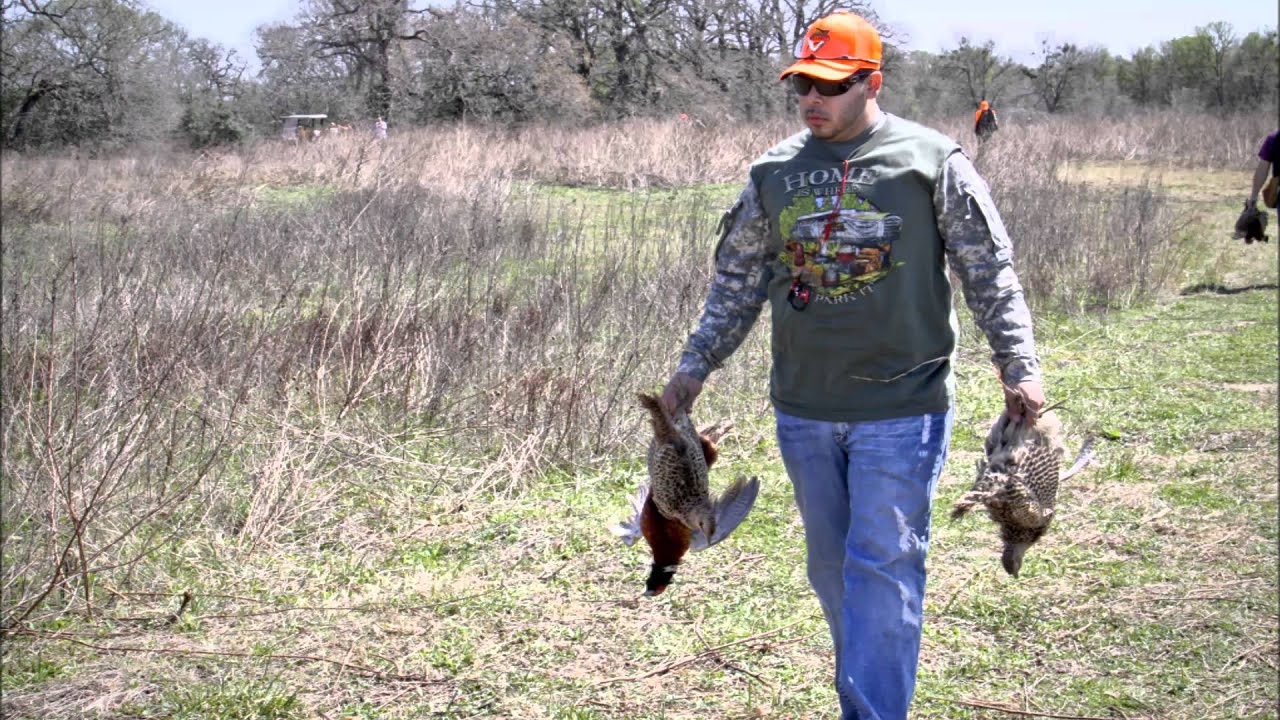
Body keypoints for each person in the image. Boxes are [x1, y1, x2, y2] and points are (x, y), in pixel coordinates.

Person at [658, 10, 1044, 720]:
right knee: (832, 569)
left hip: (903, 409)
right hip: (804, 408)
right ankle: (864, 687)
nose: (812, 99)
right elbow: (737, 282)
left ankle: (872, 711)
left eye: (830, 85)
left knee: (885, 565)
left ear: (873, 82)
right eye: (803, 84)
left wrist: (1017, 361)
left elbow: (989, 269)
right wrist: (695, 366)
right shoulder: (773, 173)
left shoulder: (931, 162)